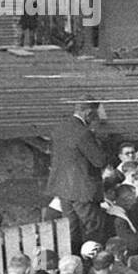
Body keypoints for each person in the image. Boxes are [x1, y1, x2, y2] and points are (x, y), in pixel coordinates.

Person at [47, 102, 108, 248]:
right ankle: (93, 264)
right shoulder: (84, 133)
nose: (95, 118)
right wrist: (98, 140)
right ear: (87, 112)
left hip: (63, 189)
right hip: (83, 190)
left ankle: (73, 261)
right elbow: (99, 160)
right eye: (95, 114)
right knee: (92, 229)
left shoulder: (59, 129)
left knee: (71, 230)